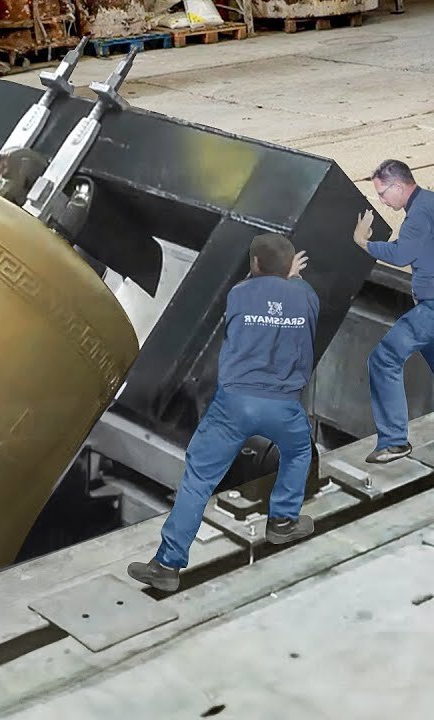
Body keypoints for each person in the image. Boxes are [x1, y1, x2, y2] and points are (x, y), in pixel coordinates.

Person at [128, 233, 319, 593]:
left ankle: (167, 565)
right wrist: (291, 277)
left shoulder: (239, 295)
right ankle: (281, 523)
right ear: (290, 269)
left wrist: (271, 276)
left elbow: (252, 299)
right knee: (298, 453)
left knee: (198, 479)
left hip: (234, 405)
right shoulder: (306, 296)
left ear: (256, 265)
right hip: (283, 405)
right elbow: (296, 299)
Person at [353, 159, 434, 464]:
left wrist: (364, 243)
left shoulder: (418, 217)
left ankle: (395, 442)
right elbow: (418, 245)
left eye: (382, 193)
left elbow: (400, 255)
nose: (382, 201)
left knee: (383, 359)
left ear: (398, 186)